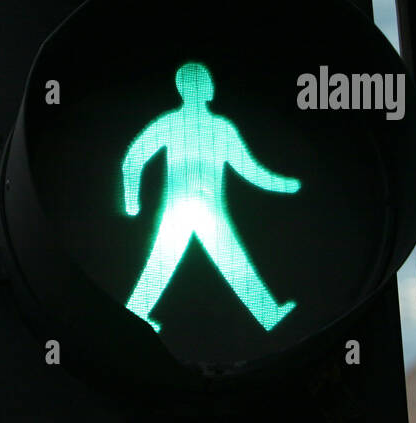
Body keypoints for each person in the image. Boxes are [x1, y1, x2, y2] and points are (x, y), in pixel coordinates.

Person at [120, 61, 300, 333]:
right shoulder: (202, 126)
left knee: (178, 264)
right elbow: (133, 159)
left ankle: (268, 313)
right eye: (207, 82)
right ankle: (268, 314)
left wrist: (283, 185)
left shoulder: (208, 127)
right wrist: (130, 200)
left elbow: (133, 160)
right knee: (172, 264)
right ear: (203, 88)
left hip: (196, 212)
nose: (212, 86)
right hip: (189, 212)